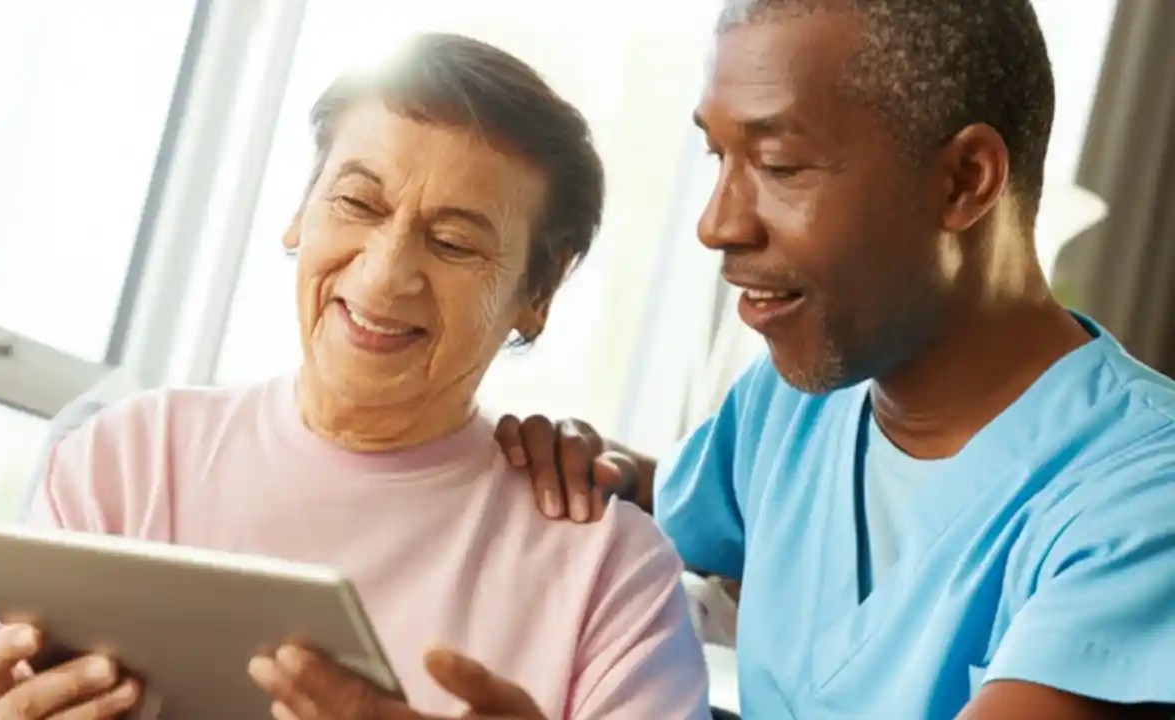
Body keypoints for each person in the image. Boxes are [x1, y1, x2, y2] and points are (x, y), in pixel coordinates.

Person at [0, 33, 709, 720]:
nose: (382, 277)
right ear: (300, 210)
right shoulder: (129, 457)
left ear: (536, 297)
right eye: (356, 202)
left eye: (452, 242)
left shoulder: (609, 574)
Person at [493, 1, 1175, 718]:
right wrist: (583, 469)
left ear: (964, 180)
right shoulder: (794, 403)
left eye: (779, 164)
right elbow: (676, 506)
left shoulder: (1143, 501)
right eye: (717, 157)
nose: (715, 224)